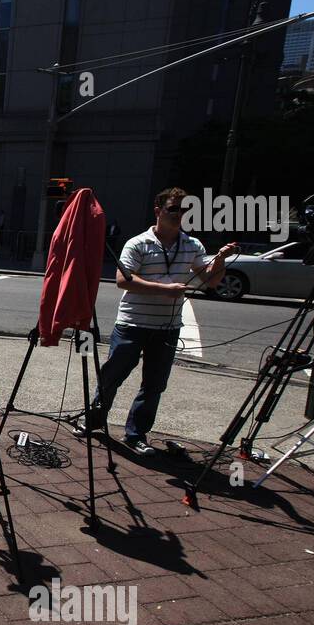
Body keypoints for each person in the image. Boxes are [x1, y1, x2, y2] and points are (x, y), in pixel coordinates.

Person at [79, 187, 239, 455]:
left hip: (167, 328)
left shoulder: (192, 245)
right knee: (111, 377)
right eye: (173, 209)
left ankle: (136, 434)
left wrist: (220, 259)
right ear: (158, 211)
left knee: (154, 385)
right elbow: (123, 280)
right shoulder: (138, 243)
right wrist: (165, 289)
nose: (179, 215)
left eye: (185, 210)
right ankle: (93, 421)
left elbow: (210, 280)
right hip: (133, 323)